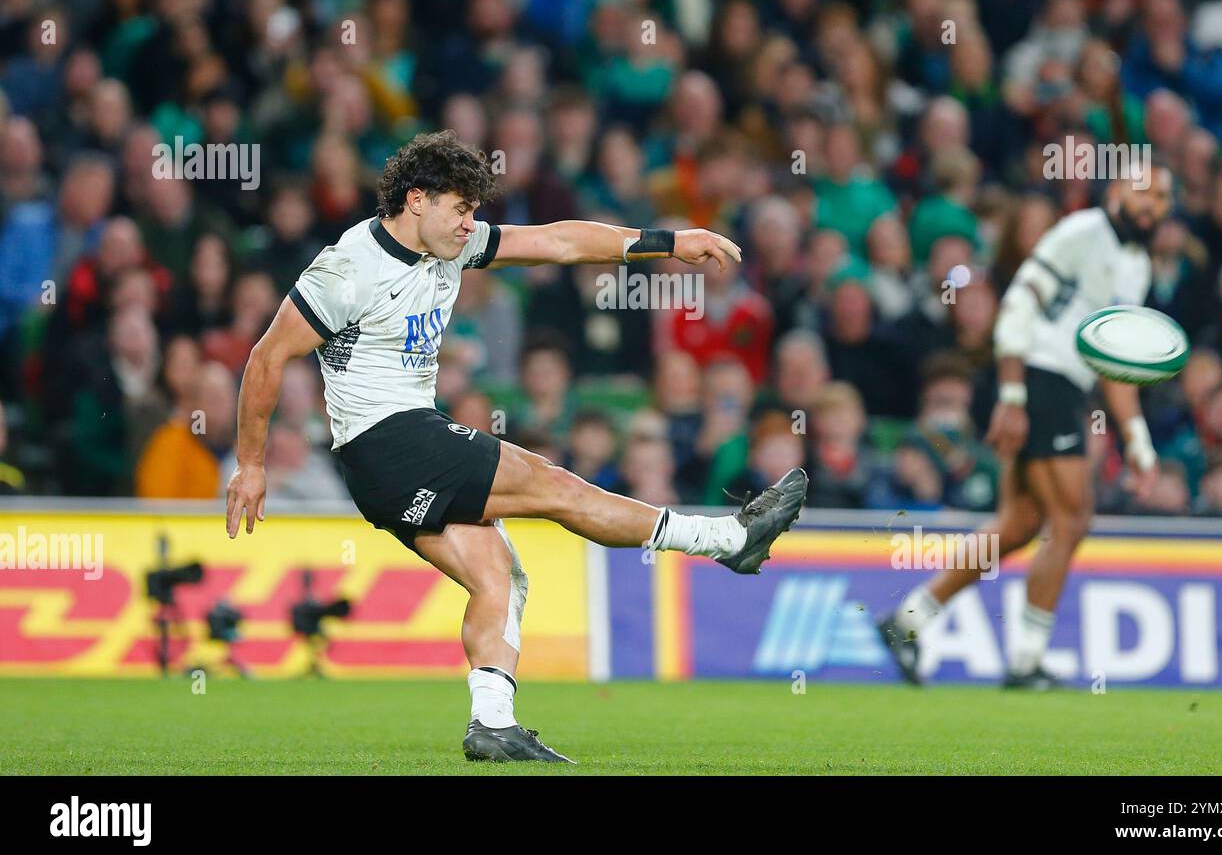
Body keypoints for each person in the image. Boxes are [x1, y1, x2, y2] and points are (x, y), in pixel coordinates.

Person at [224, 131, 807, 761]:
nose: (471, 223)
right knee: (556, 487)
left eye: (475, 210)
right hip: (390, 438)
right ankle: (728, 541)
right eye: (460, 209)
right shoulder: (349, 267)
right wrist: (251, 466)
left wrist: (667, 242)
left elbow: (559, 241)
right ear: (416, 200)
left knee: (499, 578)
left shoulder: (452, 244)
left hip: (384, 468)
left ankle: (492, 725)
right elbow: (266, 356)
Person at [876, 167, 1172, 689]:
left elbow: (1115, 364)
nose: (1154, 204)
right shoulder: (1082, 232)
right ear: (1115, 192)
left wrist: (1138, 441)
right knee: (1073, 519)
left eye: (1164, 196)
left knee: (1017, 526)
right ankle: (1026, 661)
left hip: (1059, 385)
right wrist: (1012, 395)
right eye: (1143, 191)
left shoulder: (1136, 265)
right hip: (1039, 377)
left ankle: (908, 622)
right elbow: (1017, 303)